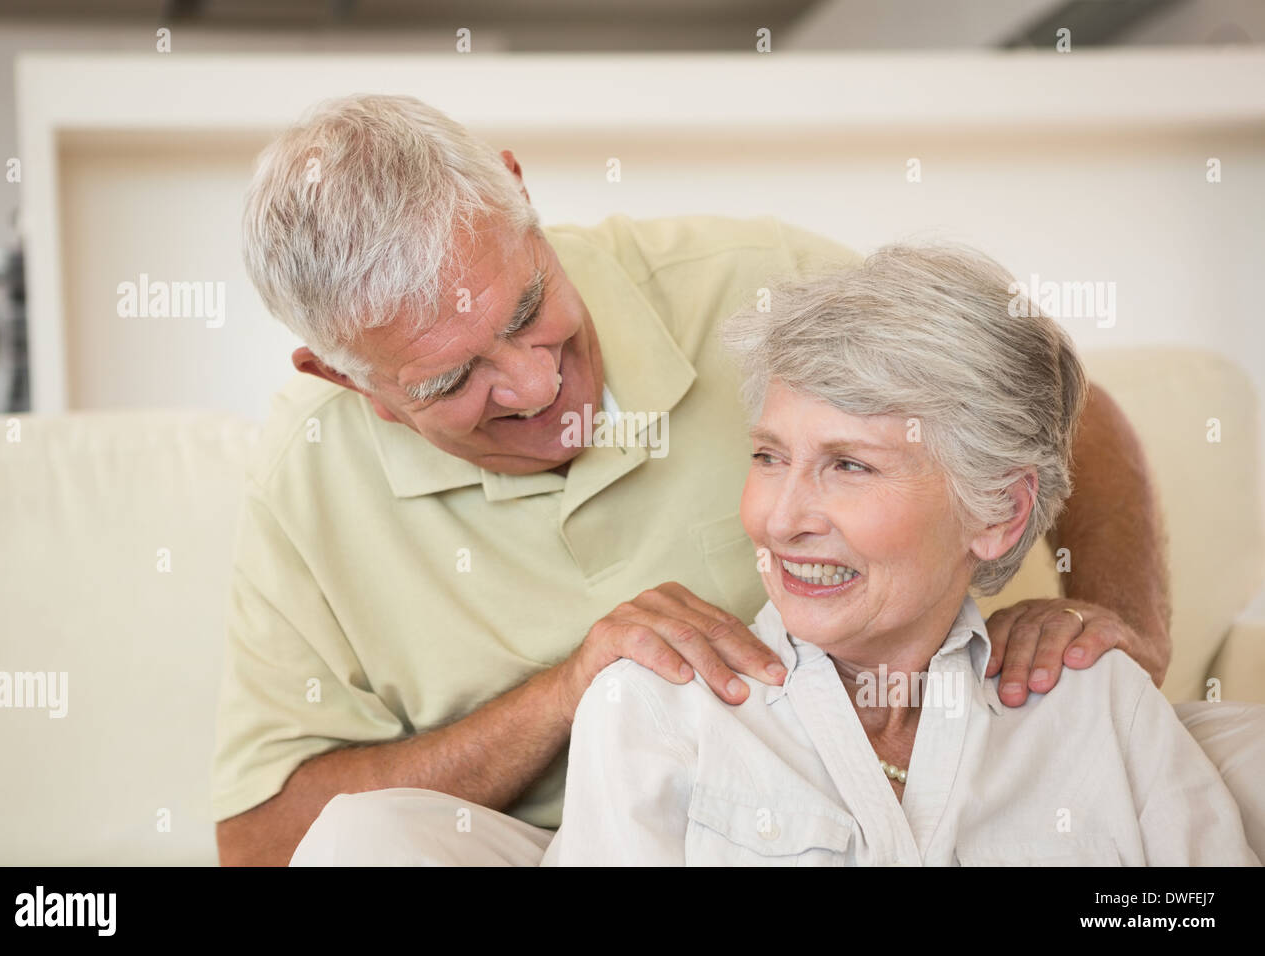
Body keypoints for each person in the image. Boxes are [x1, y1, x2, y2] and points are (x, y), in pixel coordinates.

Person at [214, 94, 1173, 866]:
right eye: (453, 381)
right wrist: (568, 692)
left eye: (528, 308)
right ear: (346, 381)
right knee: (363, 846)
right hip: (554, 841)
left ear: (519, 192)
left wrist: (1119, 630)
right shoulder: (304, 479)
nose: (536, 383)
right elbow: (260, 847)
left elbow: (1055, 406)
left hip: (879, 778)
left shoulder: (754, 279)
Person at [541, 245, 1258, 866]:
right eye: (768, 456)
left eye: (849, 466)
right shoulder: (654, 710)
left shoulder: (1099, 704)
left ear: (1000, 512)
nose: (780, 519)